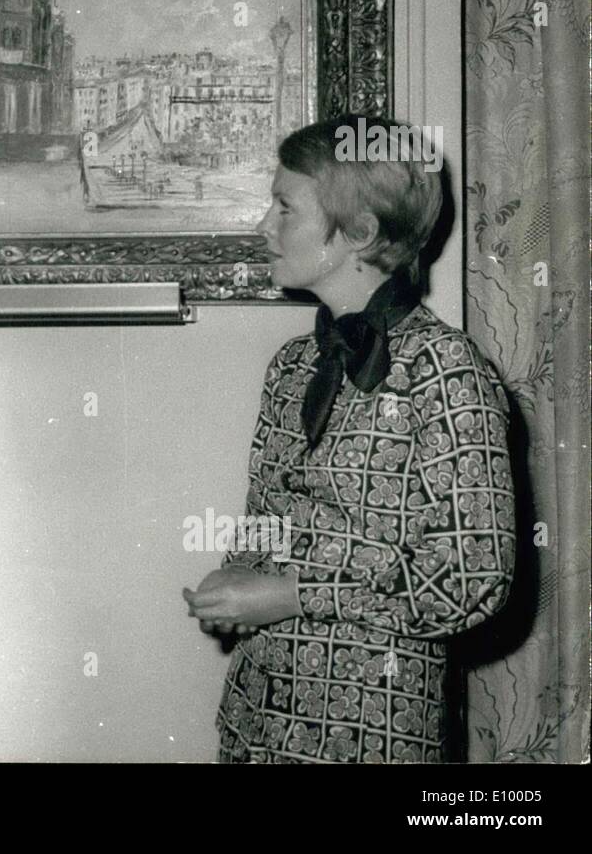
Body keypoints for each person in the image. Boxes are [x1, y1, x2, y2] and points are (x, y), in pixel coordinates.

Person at [184, 114, 515, 763]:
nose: (262, 226)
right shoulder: (290, 367)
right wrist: (239, 581)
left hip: (373, 735)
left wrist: (292, 594)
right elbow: (267, 527)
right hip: (258, 722)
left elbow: (472, 578)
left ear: (359, 233)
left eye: (284, 208)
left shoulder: (445, 370)